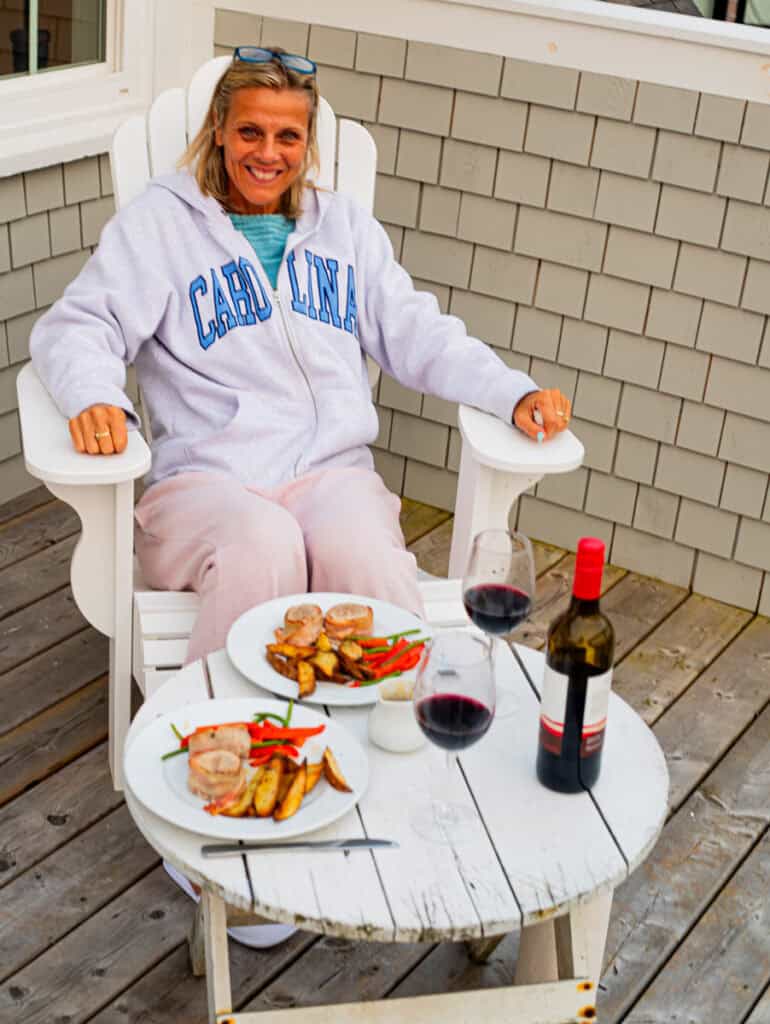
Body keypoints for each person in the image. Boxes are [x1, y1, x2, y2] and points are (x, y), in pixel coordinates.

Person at [30, 46, 572, 947]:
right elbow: (79, 324)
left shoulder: (346, 231)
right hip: (208, 481)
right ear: (219, 132)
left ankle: (391, 774)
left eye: (289, 135)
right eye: (250, 131)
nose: (268, 152)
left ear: (309, 143)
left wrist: (510, 390)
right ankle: (221, 793)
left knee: (362, 548)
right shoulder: (160, 225)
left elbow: (418, 333)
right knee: (263, 547)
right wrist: (94, 395)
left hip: (328, 469)